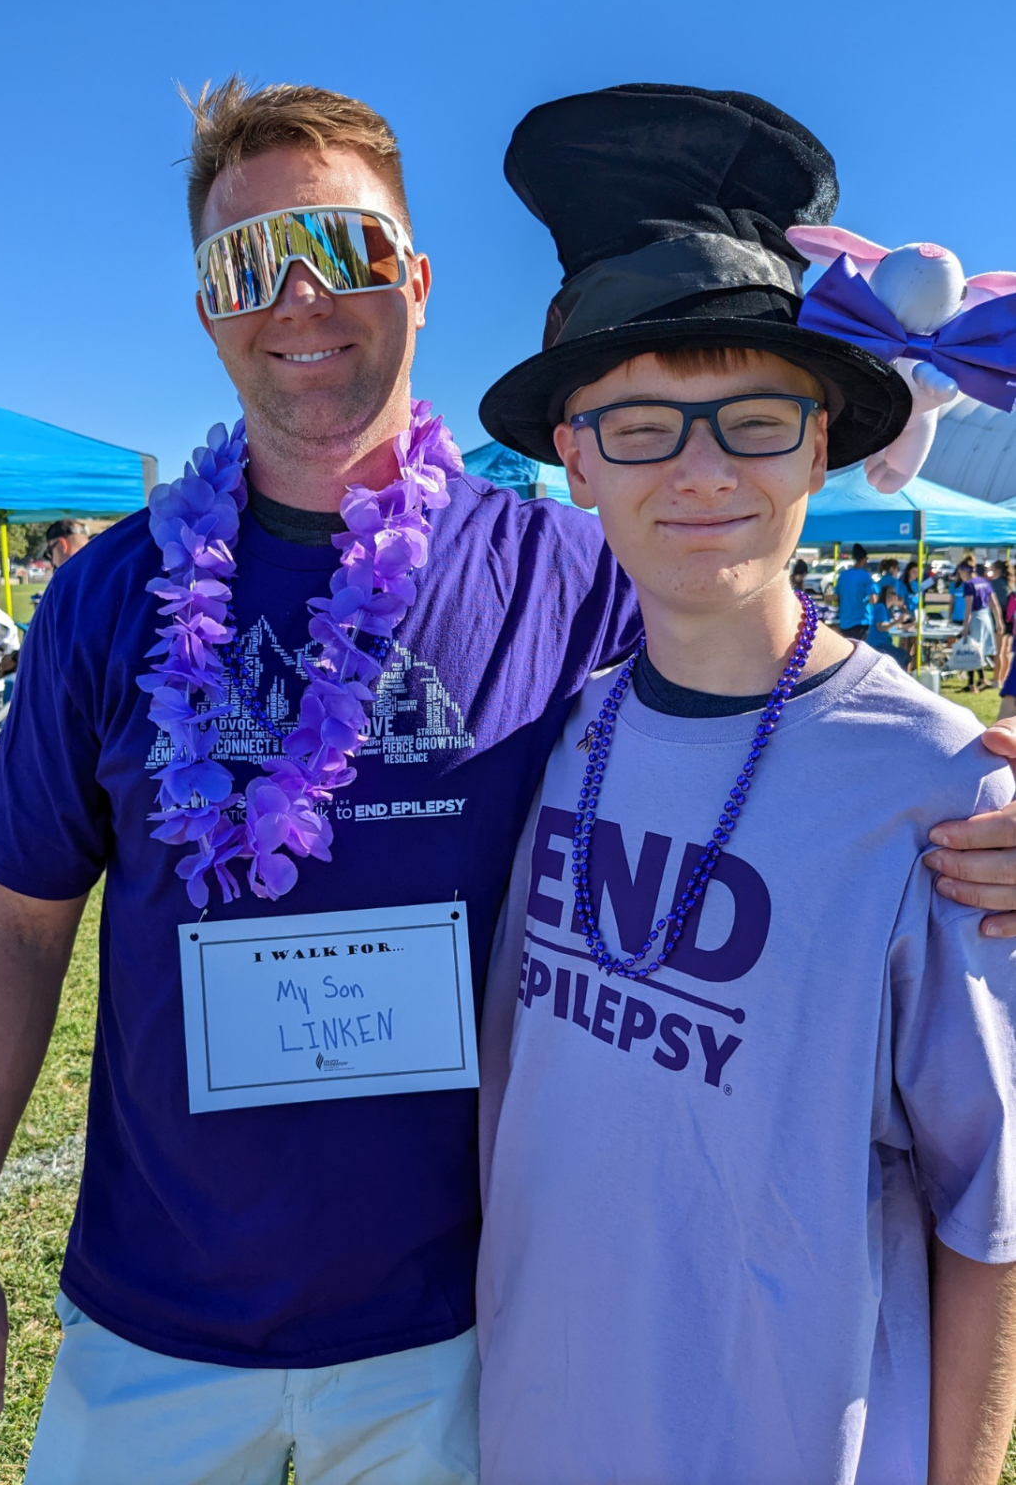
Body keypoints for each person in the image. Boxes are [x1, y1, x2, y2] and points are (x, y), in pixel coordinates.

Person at [0, 77, 1016, 1485]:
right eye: (251, 261)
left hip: (462, 1336)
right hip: (152, 1327)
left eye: (345, 249)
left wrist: (970, 784)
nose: (301, 295)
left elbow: (761, 656)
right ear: (207, 309)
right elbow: (6, 927)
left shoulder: (572, 573)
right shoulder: (109, 598)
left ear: (415, 279)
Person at [474, 84, 1016, 1485]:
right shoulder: (561, 737)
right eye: (643, 425)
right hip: (537, 1433)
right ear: (577, 460)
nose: (703, 470)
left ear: (822, 443)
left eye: (753, 420)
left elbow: (990, 1222)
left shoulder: (938, 791)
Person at [956, 559, 1002, 693]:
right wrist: (999, 621)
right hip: (986, 617)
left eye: (960, 572)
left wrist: (965, 626)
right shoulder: (984, 582)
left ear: (965, 571)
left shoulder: (969, 585)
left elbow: (969, 608)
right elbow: (994, 603)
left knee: (973, 650)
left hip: (976, 618)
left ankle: (971, 684)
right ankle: (982, 678)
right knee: (980, 650)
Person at [833, 542, 874, 638]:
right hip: (861, 621)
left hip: (845, 622)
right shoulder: (865, 576)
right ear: (864, 559)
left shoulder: (843, 575)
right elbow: (873, 599)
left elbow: (835, 597)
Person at [868, 581, 912, 668]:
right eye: (892, 593)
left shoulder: (887, 609)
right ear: (885, 594)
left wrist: (910, 624)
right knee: (904, 656)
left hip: (883, 644)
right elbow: (882, 627)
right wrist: (898, 621)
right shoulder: (880, 607)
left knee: (905, 655)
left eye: (896, 593)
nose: (895, 596)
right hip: (877, 645)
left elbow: (892, 627)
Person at [990, 559, 1014, 688]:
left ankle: (996, 679)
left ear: (997, 570)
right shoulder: (1009, 583)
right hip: (1010, 619)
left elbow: (995, 604)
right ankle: (1003, 678)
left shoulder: (994, 584)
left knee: (998, 652)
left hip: (999, 619)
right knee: (1005, 652)